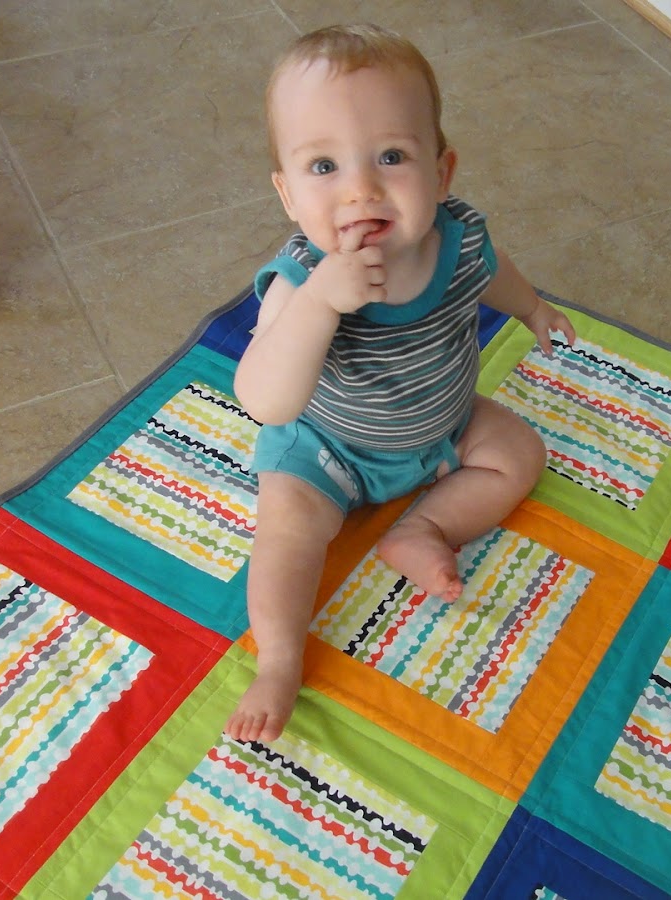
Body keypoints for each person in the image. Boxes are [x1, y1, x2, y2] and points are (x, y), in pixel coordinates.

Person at [225, 24, 576, 743]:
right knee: (288, 529)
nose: (361, 187)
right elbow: (265, 400)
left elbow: (494, 272)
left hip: (440, 427)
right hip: (326, 451)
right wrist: (323, 302)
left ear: (441, 175)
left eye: (391, 156)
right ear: (288, 195)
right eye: (324, 167)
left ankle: (424, 528)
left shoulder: (459, 240)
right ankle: (282, 659)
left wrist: (533, 306)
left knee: (520, 453)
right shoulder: (300, 280)